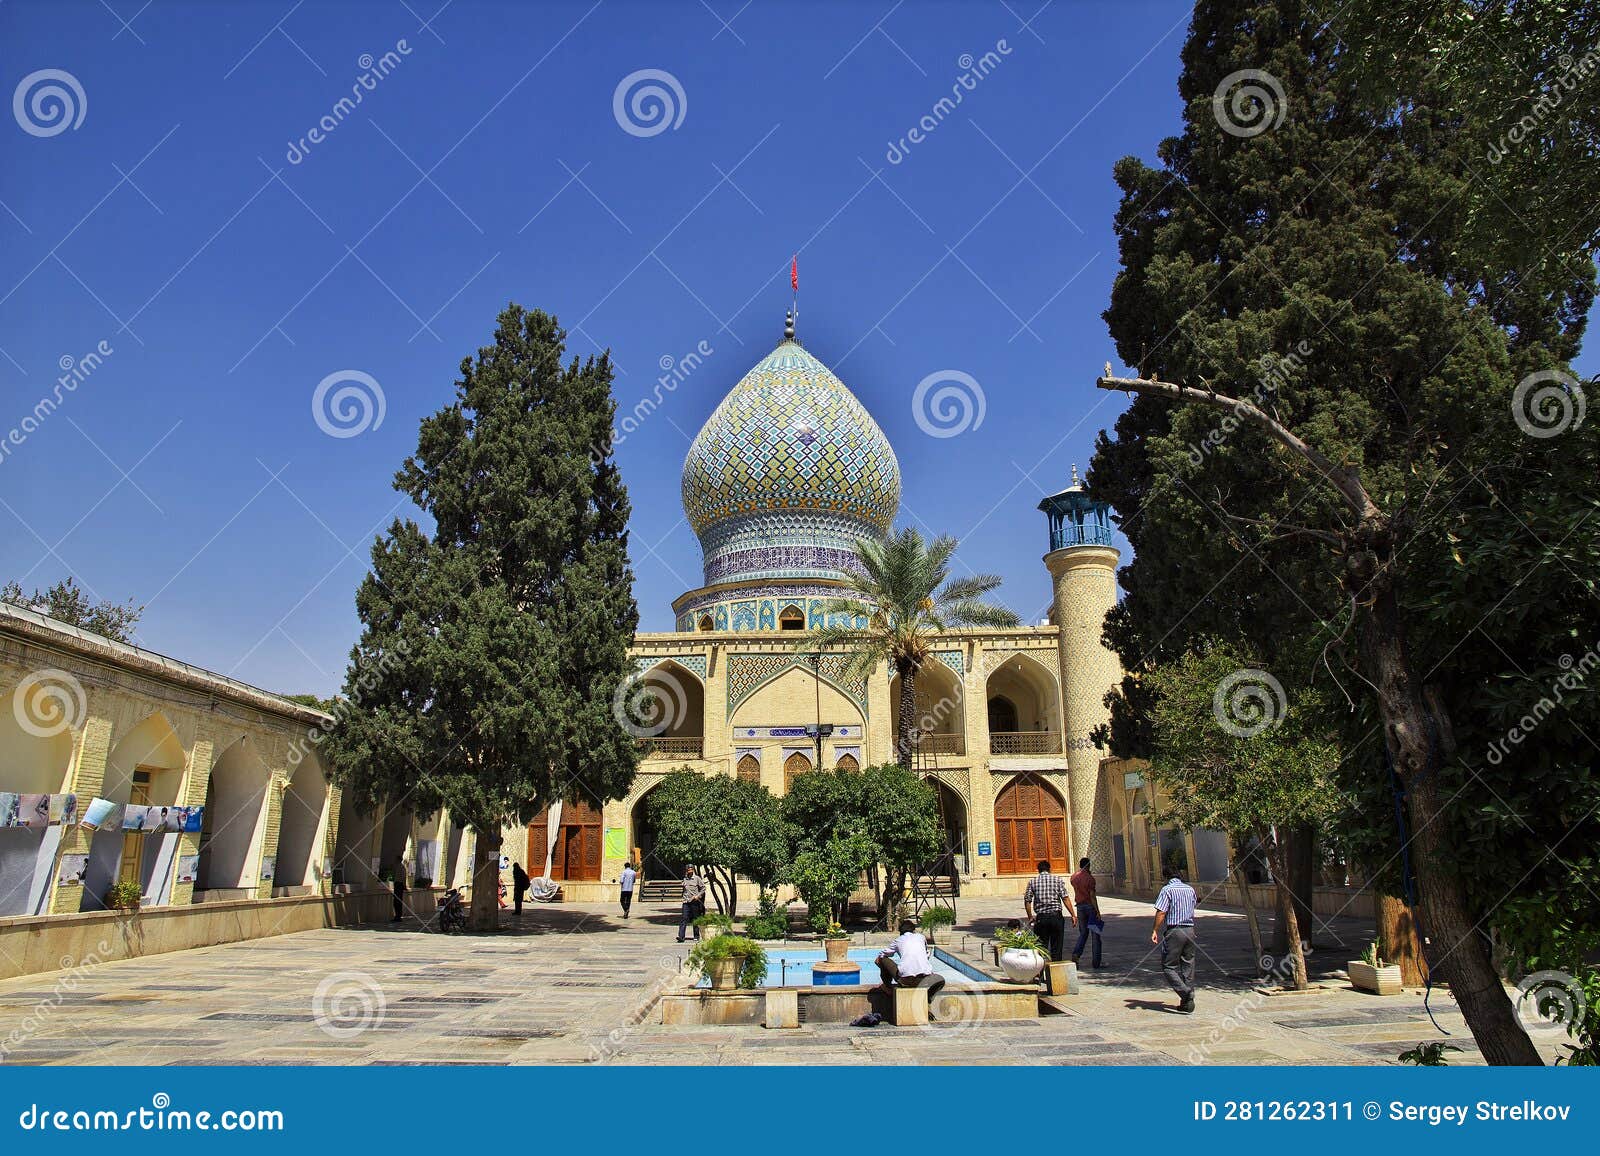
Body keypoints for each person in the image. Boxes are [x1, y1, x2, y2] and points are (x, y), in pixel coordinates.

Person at [1152, 871, 1199, 1013]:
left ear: (1167, 878)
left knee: (1168, 966)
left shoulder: (1167, 889)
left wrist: (1155, 929)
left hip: (1175, 931)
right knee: (1188, 966)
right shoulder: (1190, 889)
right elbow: (1192, 908)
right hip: (1189, 929)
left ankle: (1186, 993)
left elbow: (1161, 912)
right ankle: (1187, 1004)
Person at [876, 918, 946, 1004]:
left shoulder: (898, 940)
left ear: (901, 931)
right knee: (941, 980)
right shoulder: (921, 937)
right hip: (923, 980)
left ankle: (887, 986)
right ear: (913, 930)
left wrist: (881, 966)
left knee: (882, 958)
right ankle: (927, 999)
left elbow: (882, 955)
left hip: (905, 980)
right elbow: (926, 955)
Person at [1023, 858, 1075, 962]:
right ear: (1049, 869)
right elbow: (1065, 898)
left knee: (1041, 948)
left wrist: (1030, 917)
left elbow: (1027, 900)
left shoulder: (1033, 882)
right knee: (1057, 947)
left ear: (1038, 870)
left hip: (1041, 918)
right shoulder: (1057, 880)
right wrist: (1073, 914)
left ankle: (1041, 974)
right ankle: (1056, 972)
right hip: (1056, 917)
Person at [1070, 856, 1105, 968]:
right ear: (1088, 865)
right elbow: (1092, 896)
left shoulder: (1074, 877)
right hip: (1090, 907)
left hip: (1080, 907)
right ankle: (1096, 962)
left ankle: (1076, 953)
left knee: (1083, 933)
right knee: (1095, 935)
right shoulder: (1090, 879)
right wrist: (1097, 911)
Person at [676, 865, 706, 942]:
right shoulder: (685, 879)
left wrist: (698, 896)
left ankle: (696, 936)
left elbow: (703, 888)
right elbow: (684, 890)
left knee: (695, 919)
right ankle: (681, 936)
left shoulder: (697, 878)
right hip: (686, 901)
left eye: (691, 869)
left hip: (694, 902)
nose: (690, 870)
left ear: (693, 870)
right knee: (684, 918)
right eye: (688, 869)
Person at [390, 855, 408, 923]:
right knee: (396, 901)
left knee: (398, 901)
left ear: (398, 860)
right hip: (397, 884)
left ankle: (398, 916)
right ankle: (397, 915)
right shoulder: (397, 866)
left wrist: (404, 885)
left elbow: (403, 877)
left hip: (399, 884)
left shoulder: (401, 867)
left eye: (396, 859)